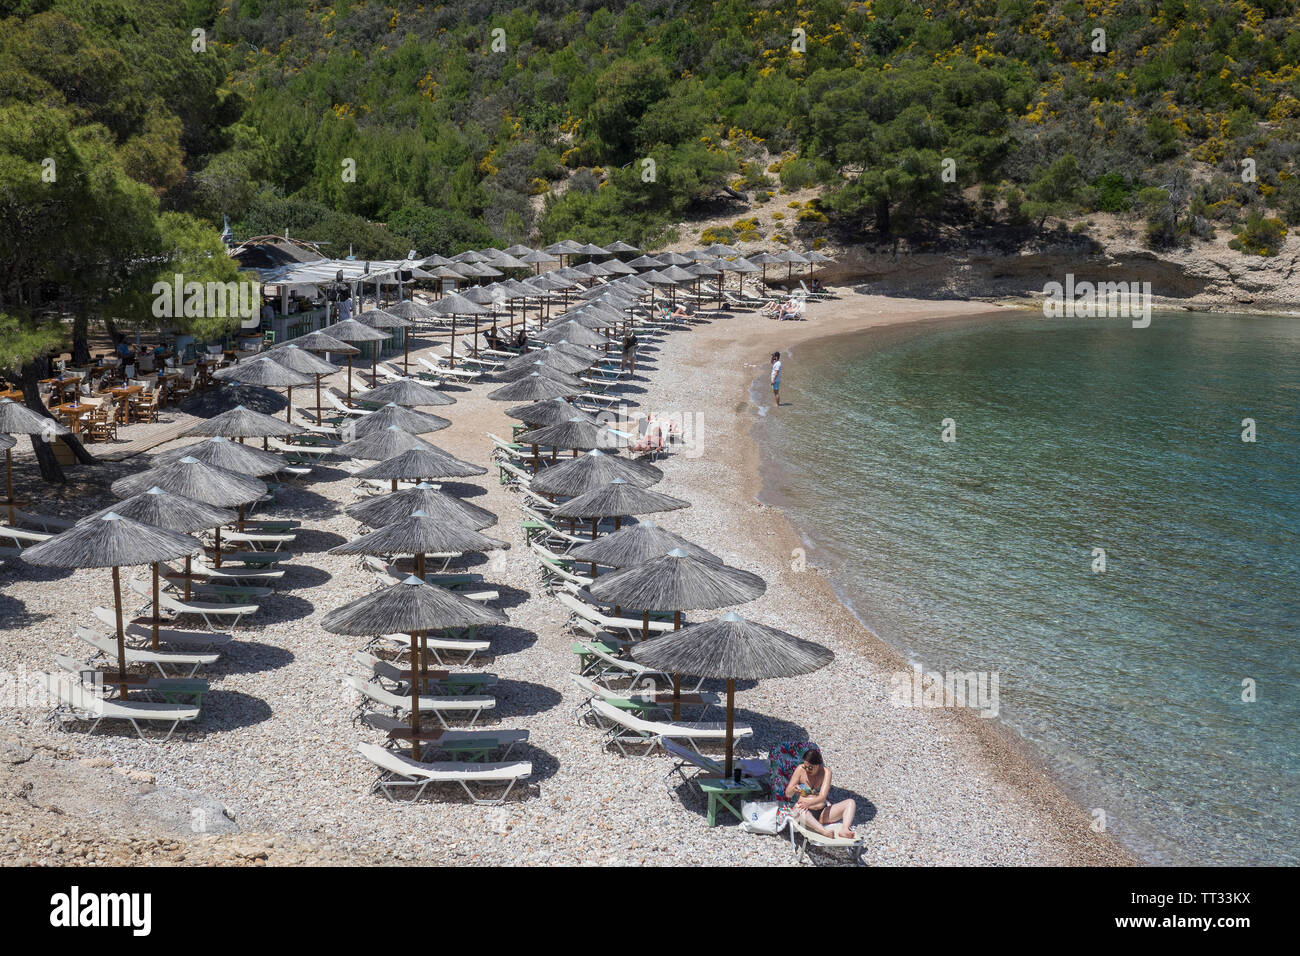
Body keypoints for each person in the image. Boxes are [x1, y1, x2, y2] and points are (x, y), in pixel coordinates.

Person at [784, 747, 856, 839]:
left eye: (810, 768)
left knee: (850, 802)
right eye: (805, 766)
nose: (807, 770)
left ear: (818, 765)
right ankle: (823, 831)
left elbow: (822, 796)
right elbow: (788, 794)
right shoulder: (800, 770)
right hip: (804, 812)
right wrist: (794, 789)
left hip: (822, 813)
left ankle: (845, 829)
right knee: (798, 808)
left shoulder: (826, 772)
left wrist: (808, 803)